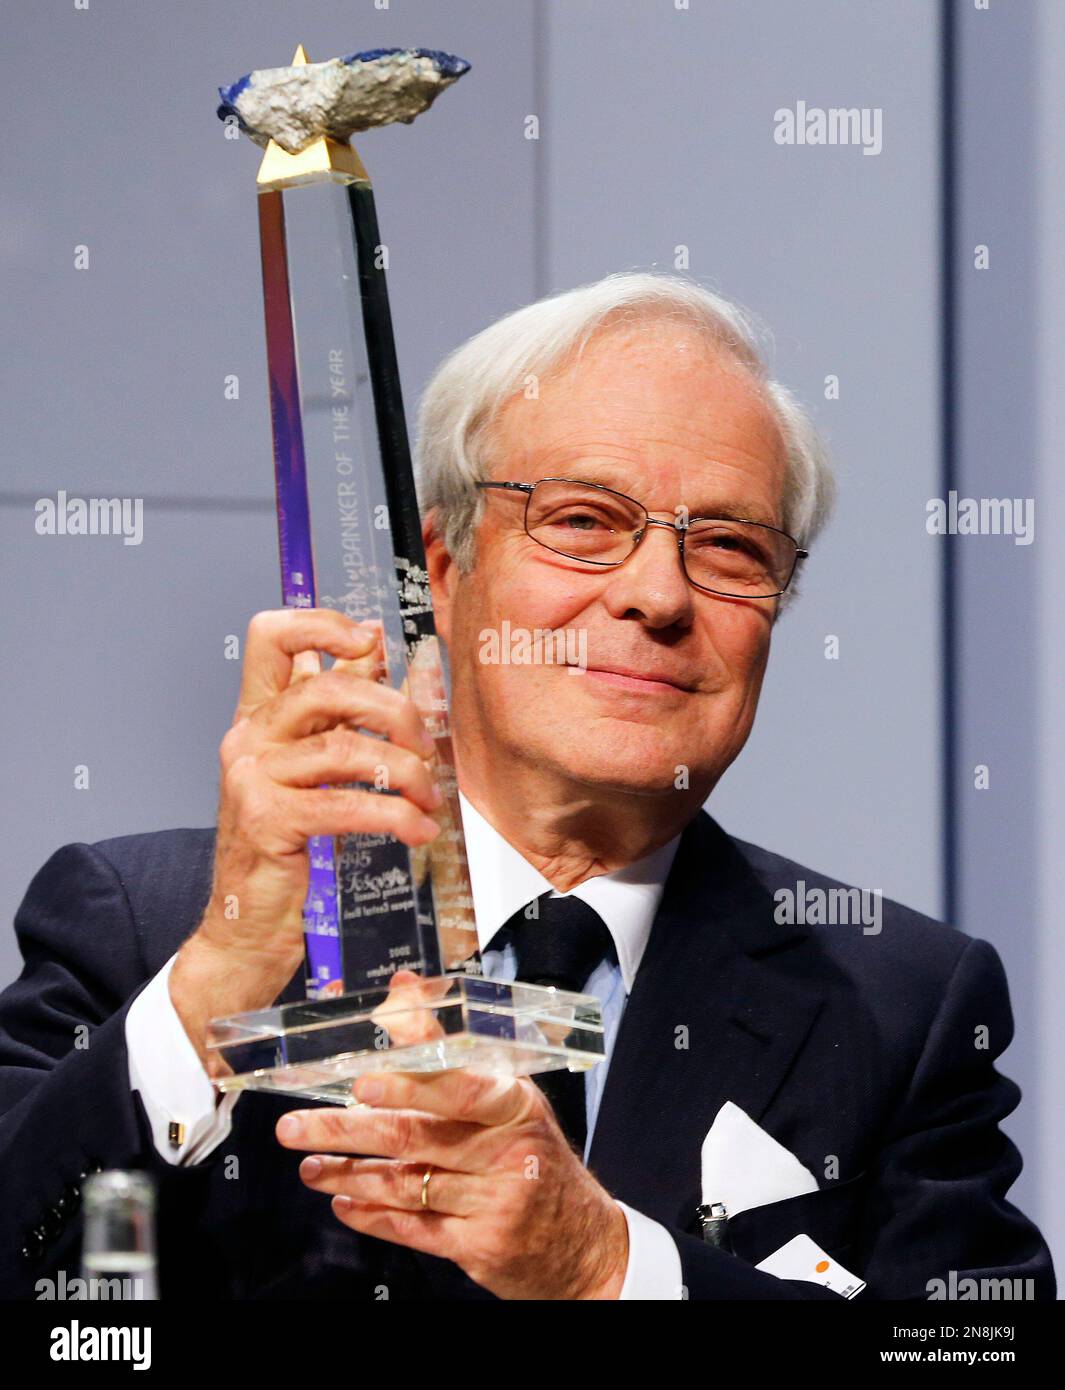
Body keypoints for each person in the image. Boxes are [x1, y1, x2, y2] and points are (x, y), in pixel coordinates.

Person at [0, 273, 1054, 1299]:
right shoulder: (145, 924)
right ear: (445, 576)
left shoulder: (902, 1004)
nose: (656, 596)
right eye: (586, 520)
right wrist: (215, 981)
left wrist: (607, 1271)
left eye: (730, 546)